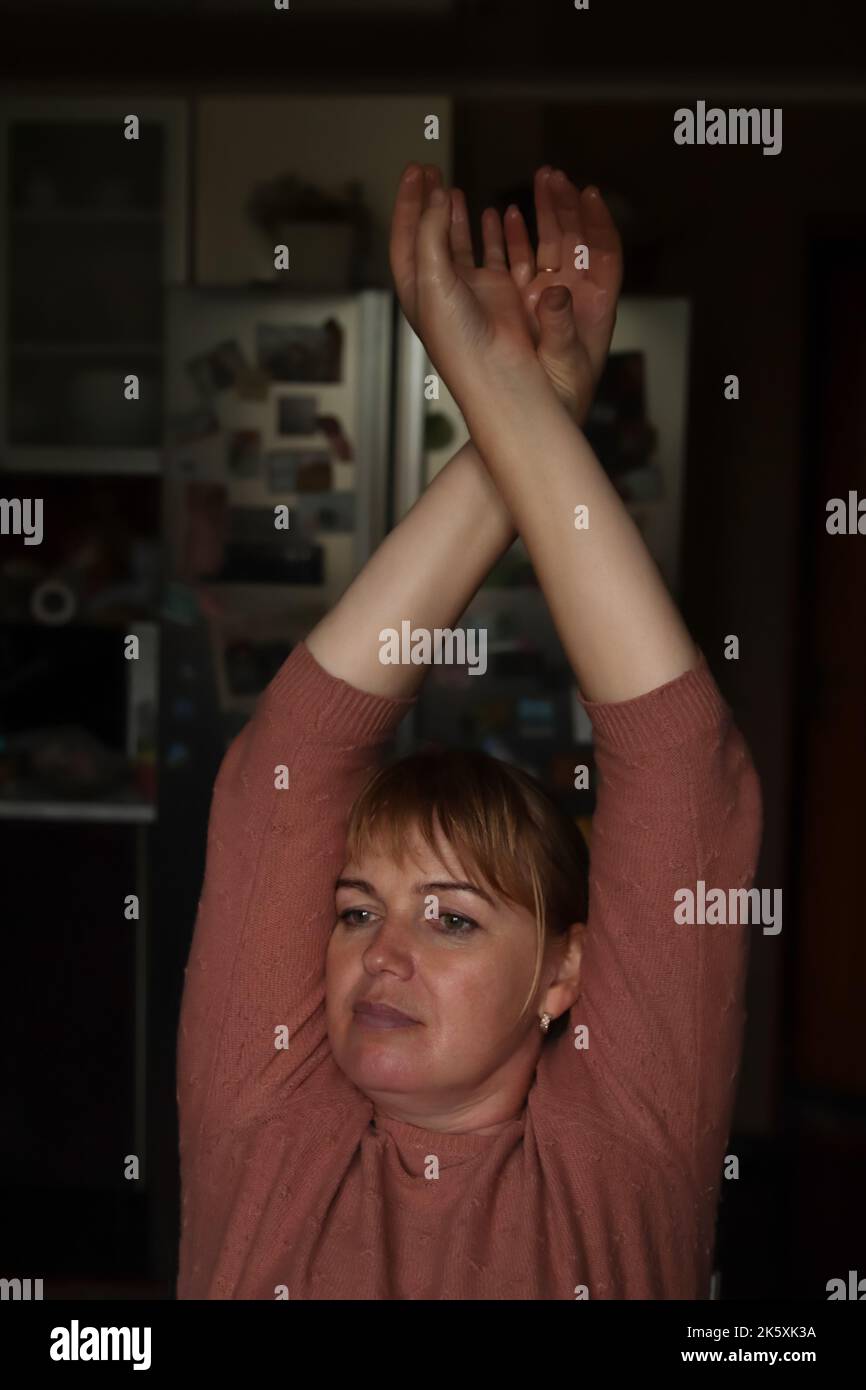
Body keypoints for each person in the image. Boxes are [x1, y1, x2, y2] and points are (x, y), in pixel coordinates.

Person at [176, 163, 762, 1300]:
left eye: (451, 917)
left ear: (562, 976)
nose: (379, 954)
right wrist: (517, 413)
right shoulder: (268, 1127)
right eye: (355, 911)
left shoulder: (619, 1162)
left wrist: (506, 392)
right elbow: (281, 771)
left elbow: (683, 767)